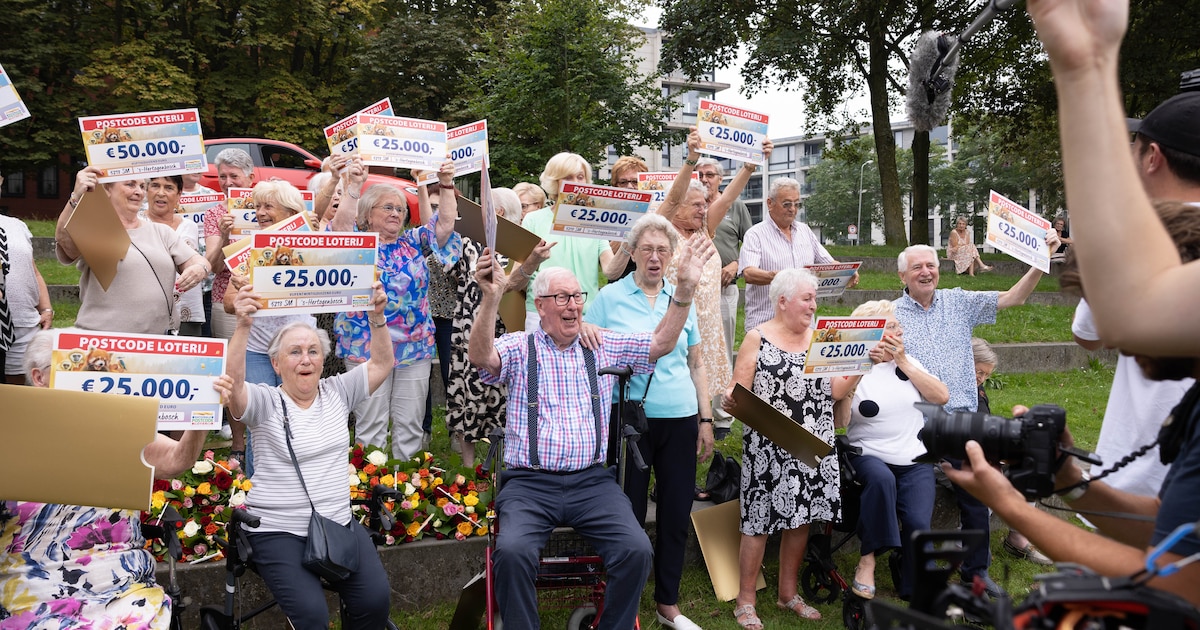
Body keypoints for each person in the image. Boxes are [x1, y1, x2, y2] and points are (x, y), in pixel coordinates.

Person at [468, 233, 715, 630]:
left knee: (636, 550)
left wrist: (683, 291)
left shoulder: (601, 345)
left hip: (591, 483)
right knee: (511, 553)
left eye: (578, 296)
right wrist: (491, 298)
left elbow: (661, 343)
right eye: (563, 298)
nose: (574, 305)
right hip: (530, 484)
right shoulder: (520, 346)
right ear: (541, 307)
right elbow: (481, 356)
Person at [0, 328, 211, 626]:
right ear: (38, 377)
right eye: (69, 368)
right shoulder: (9, 431)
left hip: (119, 580)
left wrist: (203, 410)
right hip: (31, 583)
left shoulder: (117, 425)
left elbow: (178, 460)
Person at [216, 280, 393, 629]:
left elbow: (382, 364)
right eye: (294, 352)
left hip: (336, 523)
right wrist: (244, 325)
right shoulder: (266, 401)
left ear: (323, 360)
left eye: (313, 351)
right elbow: (234, 387)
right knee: (312, 617)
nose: (305, 359)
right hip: (278, 531)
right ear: (276, 363)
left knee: (375, 600)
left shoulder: (337, 391)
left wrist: (378, 317)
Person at [893, 237, 1057, 597]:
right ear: (903, 274)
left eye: (931, 264)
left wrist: (1040, 260)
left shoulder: (959, 301)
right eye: (918, 266)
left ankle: (976, 575)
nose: (926, 271)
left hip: (961, 423)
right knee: (915, 503)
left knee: (977, 499)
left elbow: (1014, 297)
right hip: (913, 425)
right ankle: (913, 570)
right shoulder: (889, 314)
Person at [586, 214, 713, 629]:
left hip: (680, 418)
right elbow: (591, 356)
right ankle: (625, 600)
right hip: (630, 420)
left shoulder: (683, 298)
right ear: (633, 254)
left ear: (673, 256)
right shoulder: (608, 298)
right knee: (629, 514)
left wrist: (706, 418)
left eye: (663, 250)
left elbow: (696, 363)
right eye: (647, 250)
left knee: (676, 513)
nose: (655, 258)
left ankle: (667, 605)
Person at [722, 268, 853, 629]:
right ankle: (745, 601)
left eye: (814, 298)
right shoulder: (757, 337)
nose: (814, 305)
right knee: (758, 522)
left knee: (802, 519)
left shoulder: (824, 337)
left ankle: (787, 594)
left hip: (812, 443)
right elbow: (737, 390)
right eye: (807, 298)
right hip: (769, 445)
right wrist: (730, 401)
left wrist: (862, 366)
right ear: (782, 301)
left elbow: (837, 392)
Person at [330, 158, 460, 461]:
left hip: (414, 348)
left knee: (411, 425)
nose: (395, 213)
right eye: (387, 207)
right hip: (366, 346)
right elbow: (339, 226)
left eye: (400, 209)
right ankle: (368, 491)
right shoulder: (355, 243)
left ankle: (407, 493)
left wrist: (447, 183)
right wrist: (352, 185)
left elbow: (445, 225)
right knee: (371, 425)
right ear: (367, 214)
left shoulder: (414, 242)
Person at [838, 300, 948, 601]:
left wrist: (904, 364)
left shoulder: (909, 363)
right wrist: (860, 371)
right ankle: (868, 560)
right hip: (868, 454)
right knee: (881, 480)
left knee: (916, 522)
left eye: (898, 325)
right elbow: (840, 422)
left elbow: (941, 396)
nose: (900, 330)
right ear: (872, 334)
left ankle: (914, 588)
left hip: (914, 458)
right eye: (893, 326)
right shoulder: (853, 368)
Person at [443, 188, 551, 465]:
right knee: (468, 388)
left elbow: (515, 284)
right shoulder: (469, 242)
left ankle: (503, 462)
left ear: (498, 212)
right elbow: (453, 273)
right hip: (471, 326)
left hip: (506, 330)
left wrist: (532, 261)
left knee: (504, 395)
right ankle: (468, 465)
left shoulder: (521, 246)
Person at [222, 179, 321, 472]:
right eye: (256, 207)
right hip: (256, 350)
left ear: (291, 212)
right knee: (260, 423)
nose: (260, 213)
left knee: (300, 419)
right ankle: (259, 489)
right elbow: (228, 303)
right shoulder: (248, 250)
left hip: (298, 349)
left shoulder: (315, 246)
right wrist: (242, 294)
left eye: (268, 206)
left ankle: (301, 484)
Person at [55, 167, 209, 335]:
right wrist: (76, 197)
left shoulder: (161, 232)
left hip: (154, 343)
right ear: (107, 190)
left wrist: (199, 268)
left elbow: (197, 260)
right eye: (130, 184)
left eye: (142, 186)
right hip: (102, 341)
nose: (138, 192)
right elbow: (66, 243)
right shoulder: (97, 228)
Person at [968, 337, 1053, 566]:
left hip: (983, 450)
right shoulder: (944, 385)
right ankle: (966, 543)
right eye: (978, 371)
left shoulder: (978, 389)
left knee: (1030, 463)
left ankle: (1018, 538)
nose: (981, 378)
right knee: (991, 478)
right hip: (955, 455)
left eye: (986, 375)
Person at [740, 177, 858, 332]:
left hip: (803, 325)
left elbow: (828, 263)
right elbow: (749, 273)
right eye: (787, 204)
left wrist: (847, 271)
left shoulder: (805, 231)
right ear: (770, 203)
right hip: (767, 324)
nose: (793, 209)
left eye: (797, 204)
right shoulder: (755, 235)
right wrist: (781, 277)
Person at [520, 152, 624, 328]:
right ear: (554, 183)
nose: (576, 183)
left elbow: (610, 271)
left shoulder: (595, 221)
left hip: (586, 317)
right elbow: (519, 277)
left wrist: (628, 243)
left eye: (580, 177)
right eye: (568, 177)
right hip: (542, 315)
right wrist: (533, 260)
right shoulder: (533, 220)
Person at [0, 176, 53, 384]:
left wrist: (46, 309)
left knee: (21, 394)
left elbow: (34, 271)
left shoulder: (16, 226)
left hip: (25, 325)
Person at [203, 148, 257, 339]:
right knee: (231, 365)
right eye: (222, 176)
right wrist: (225, 237)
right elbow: (214, 267)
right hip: (226, 301)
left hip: (266, 296)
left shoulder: (269, 204)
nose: (227, 182)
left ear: (250, 177)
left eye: (234, 175)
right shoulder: (214, 214)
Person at [143, 175, 206, 337]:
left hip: (187, 312)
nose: (161, 193)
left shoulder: (189, 226)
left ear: (179, 195)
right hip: (145, 313)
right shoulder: (136, 223)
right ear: (146, 191)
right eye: (155, 186)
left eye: (169, 188)